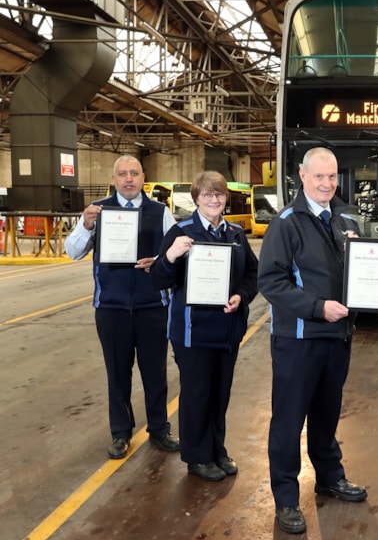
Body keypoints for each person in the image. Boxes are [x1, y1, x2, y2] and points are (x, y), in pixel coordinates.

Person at [257, 147, 367, 535]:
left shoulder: (349, 216)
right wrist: (318, 308)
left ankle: (329, 477)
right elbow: (271, 281)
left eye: (332, 176)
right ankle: (286, 498)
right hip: (299, 338)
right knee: (288, 421)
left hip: (337, 337)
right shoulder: (286, 223)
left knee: (328, 413)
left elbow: (364, 267)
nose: (326, 184)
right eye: (319, 176)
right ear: (301, 176)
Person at [64, 155, 180, 460]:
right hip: (111, 308)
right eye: (122, 174)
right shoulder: (97, 211)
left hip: (153, 306)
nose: (128, 179)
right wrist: (87, 226)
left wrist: (159, 261)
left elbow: (176, 253)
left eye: (134, 173)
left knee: (155, 372)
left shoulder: (160, 212)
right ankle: (120, 433)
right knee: (117, 373)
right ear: (113, 179)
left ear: (143, 178)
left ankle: (159, 428)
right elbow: (73, 252)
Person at [150, 171, 259, 481]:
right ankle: (198, 457)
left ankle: (217, 450)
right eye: (208, 195)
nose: (214, 200)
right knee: (197, 393)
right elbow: (158, 279)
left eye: (219, 194)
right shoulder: (181, 232)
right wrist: (171, 255)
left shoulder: (236, 234)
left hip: (227, 329)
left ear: (226, 198)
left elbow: (252, 275)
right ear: (196, 198)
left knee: (220, 394)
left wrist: (241, 295)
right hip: (192, 332)